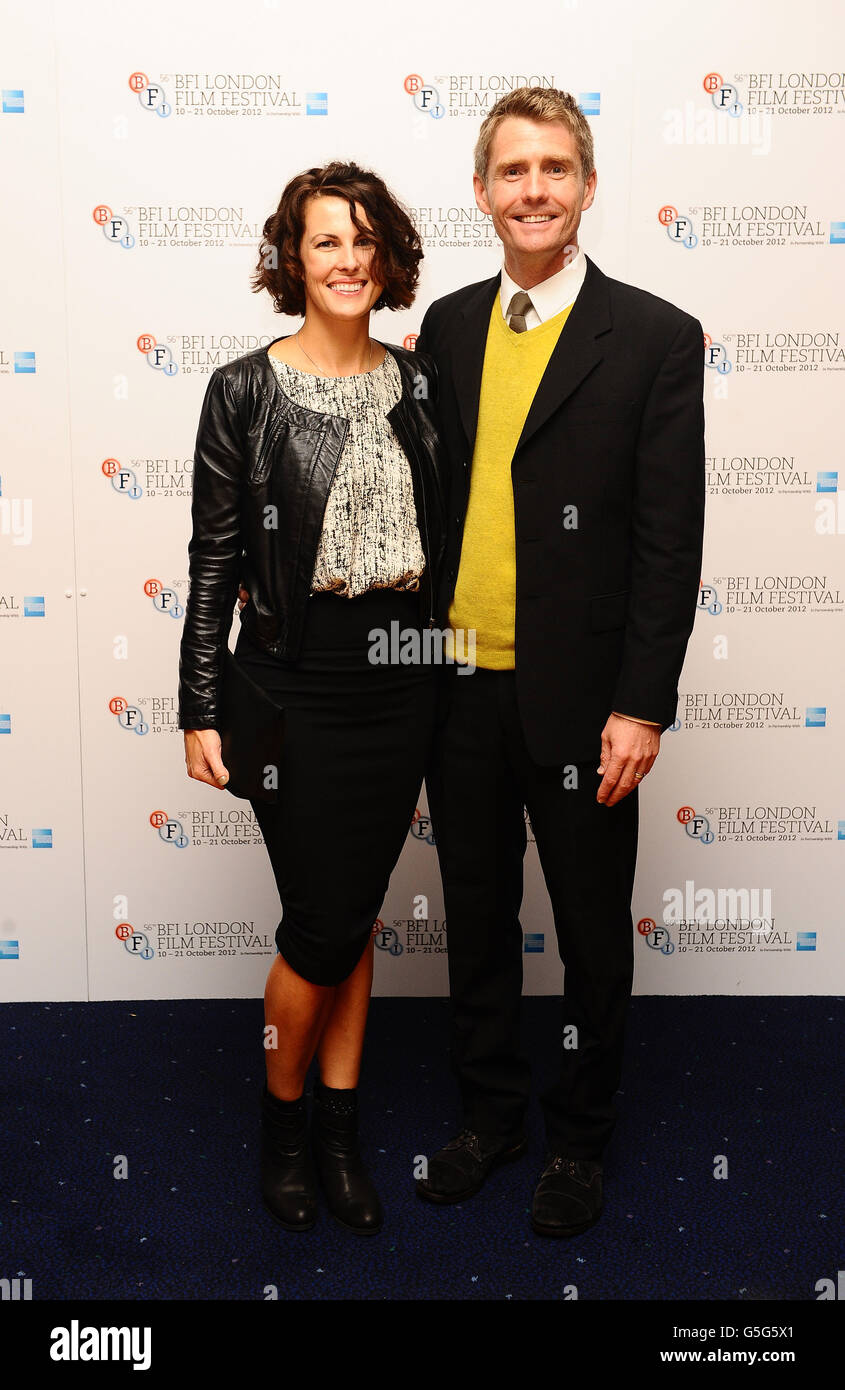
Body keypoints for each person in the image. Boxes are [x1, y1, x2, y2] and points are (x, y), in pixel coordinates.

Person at [413, 87, 706, 1236]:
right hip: (455, 685)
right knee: (473, 918)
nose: (531, 189)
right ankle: (490, 1115)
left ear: (585, 186)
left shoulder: (651, 335)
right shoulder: (442, 326)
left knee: (588, 931)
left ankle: (579, 1138)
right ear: (481, 192)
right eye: (509, 171)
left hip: (584, 706)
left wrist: (640, 704)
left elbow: (664, 541)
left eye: (552, 169)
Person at [177, 161, 447, 1236]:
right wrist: (198, 705)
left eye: (363, 240)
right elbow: (212, 562)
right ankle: (283, 1129)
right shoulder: (242, 389)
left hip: (404, 676)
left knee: (358, 907)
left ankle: (339, 1128)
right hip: (288, 688)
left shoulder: (423, 385)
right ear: (292, 257)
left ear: (387, 258)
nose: (345, 259)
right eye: (324, 240)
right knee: (320, 924)